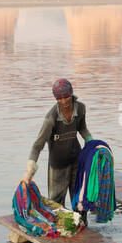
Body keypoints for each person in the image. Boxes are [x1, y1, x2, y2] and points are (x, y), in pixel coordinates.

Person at [23, 79, 92, 210]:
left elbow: (82, 128)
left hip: (77, 161)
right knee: (56, 204)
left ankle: (82, 226)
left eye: (66, 97)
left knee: (80, 201)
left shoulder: (81, 108)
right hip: (58, 165)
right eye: (59, 98)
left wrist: (90, 140)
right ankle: (60, 229)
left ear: (71, 94)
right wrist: (29, 170)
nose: (64, 101)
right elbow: (38, 145)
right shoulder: (51, 118)